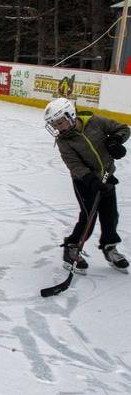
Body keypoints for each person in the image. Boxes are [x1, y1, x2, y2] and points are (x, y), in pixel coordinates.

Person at [44, 97, 129, 273]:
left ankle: (110, 247)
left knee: (110, 214)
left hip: (106, 175)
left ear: (71, 115)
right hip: (84, 181)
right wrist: (92, 181)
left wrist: (115, 141)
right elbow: (75, 165)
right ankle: (72, 247)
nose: (58, 127)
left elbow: (123, 128)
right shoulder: (64, 141)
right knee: (88, 216)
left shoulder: (95, 122)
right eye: (54, 124)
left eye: (60, 122)